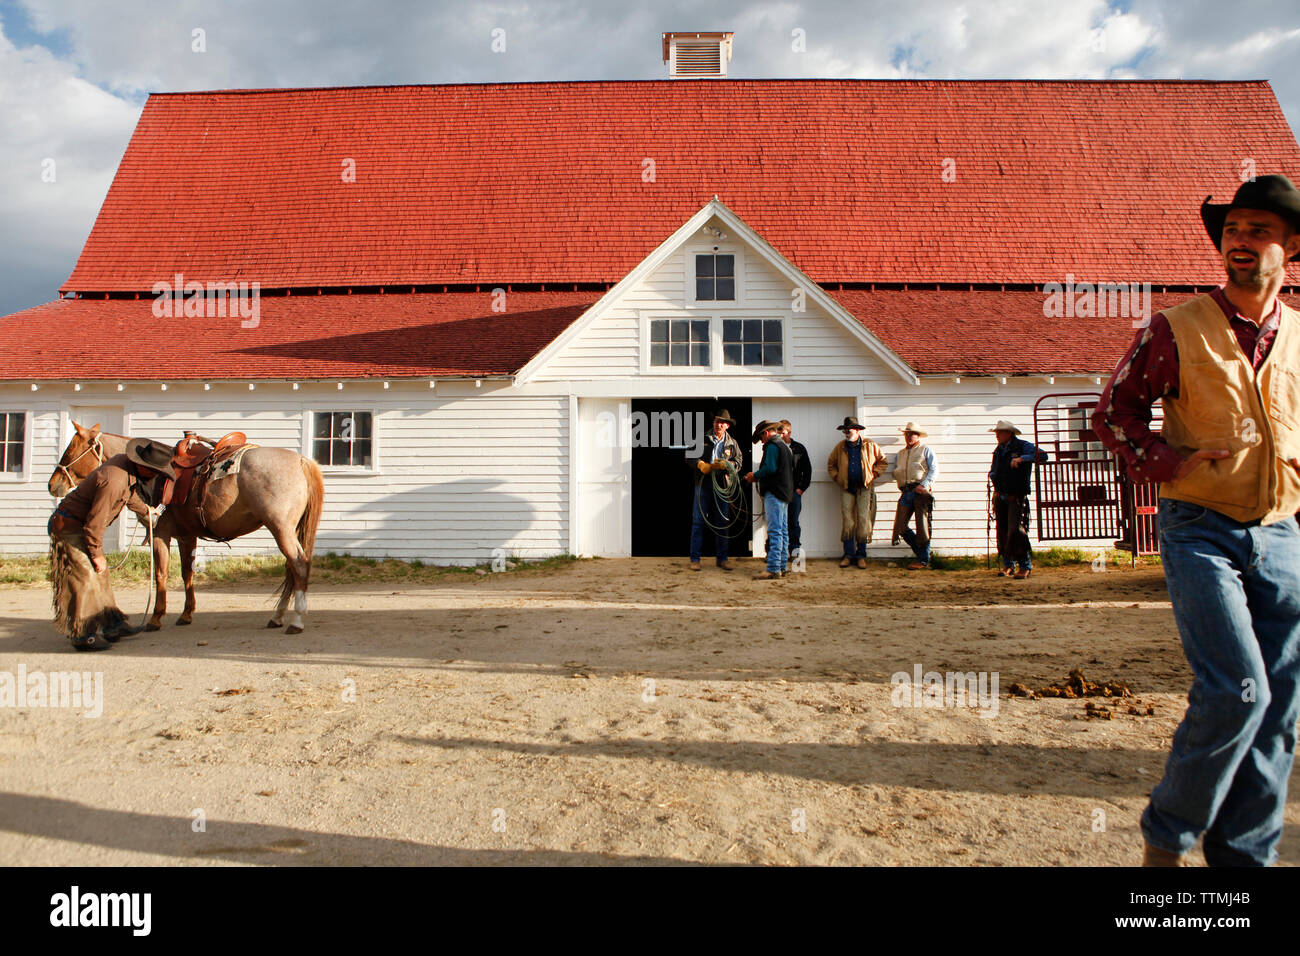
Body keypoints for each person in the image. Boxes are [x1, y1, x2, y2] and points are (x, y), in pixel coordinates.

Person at [1092, 173, 1300, 867]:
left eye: (1258, 230)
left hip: (1282, 532)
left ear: (1290, 247)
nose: (1240, 240)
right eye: (1233, 229)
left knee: (1279, 712)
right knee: (1236, 690)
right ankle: (1167, 842)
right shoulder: (1176, 327)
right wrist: (1166, 462)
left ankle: (1243, 861)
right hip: (1201, 527)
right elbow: (1113, 413)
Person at [48, 437, 174, 651]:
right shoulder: (113, 481)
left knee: (102, 575)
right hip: (68, 528)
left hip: (80, 525)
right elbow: (94, 523)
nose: (156, 476)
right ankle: (83, 634)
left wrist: (146, 510)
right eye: (154, 471)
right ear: (143, 467)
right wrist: (96, 554)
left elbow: (130, 494)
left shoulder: (125, 466)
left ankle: (112, 624)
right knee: (85, 577)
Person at [988, 420, 1049, 579]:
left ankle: (1025, 565)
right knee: (1002, 530)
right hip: (1000, 494)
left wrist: (1022, 459)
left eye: (1000, 432)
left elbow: (1043, 455)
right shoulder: (999, 450)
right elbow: (995, 470)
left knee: (1015, 530)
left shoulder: (1023, 446)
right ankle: (1008, 564)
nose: (997, 435)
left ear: (1008, 433)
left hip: (1016, 495)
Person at [827, 416, 888, 568]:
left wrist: (873, 474)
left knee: (863, 520)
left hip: (864, 488)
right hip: (847, 488)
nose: (847, 433)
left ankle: (861, 556)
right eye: (845, 431)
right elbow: (831, 464)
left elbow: (883, 462)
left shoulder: (870, 445)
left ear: (857, 430)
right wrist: (837, 477)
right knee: (848, 521)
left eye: (849, 430)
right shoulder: (840, 447)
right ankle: (848, 555)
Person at [689, 409, 743, 571]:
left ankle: (722, 558)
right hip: (703, 484)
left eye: (722, 422)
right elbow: (689, 455)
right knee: (698, 521)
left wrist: (728, 465)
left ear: (727, 426)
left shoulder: (732, 443)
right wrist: (699, 464)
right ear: (713, 423)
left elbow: (739, 462)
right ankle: (695, 559)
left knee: (722, 523)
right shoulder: (701, 438)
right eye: (716, 421)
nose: (718, 424)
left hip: (722, 486)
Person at [744, 420, 794, 580]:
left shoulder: (772, 446)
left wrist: (755, 476)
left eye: (761, 438)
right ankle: (782, 566)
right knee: (783, 530)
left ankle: (773, 568)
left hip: (775, 492)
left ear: (765, 433)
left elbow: (770, 468)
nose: (762, 442)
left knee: (774, 531)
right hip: (785, 492)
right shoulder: (784, 446)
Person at [891, 423, 938, 569]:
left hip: (920, 492)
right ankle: (922, 555)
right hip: (906, 492)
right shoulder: (901, 453)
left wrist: (924, 485)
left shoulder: (926, 450)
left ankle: (923, 560)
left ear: (918, 436)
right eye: (907, 434)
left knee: (922, 526)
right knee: (901, 527)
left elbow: (934, 469)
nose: (909, 436)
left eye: (912, 434)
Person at [765, 420, 811, 561]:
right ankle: (772, 553)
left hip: (793, 492)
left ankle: (795, 552)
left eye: (783, 433)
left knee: (793, 522)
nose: (780, 436)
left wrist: (801, 489)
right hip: (778, 491)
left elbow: (807, 470)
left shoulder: (799, 449)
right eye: (778, 433)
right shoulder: (773, 448)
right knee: (775, 523)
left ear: (789, 433)